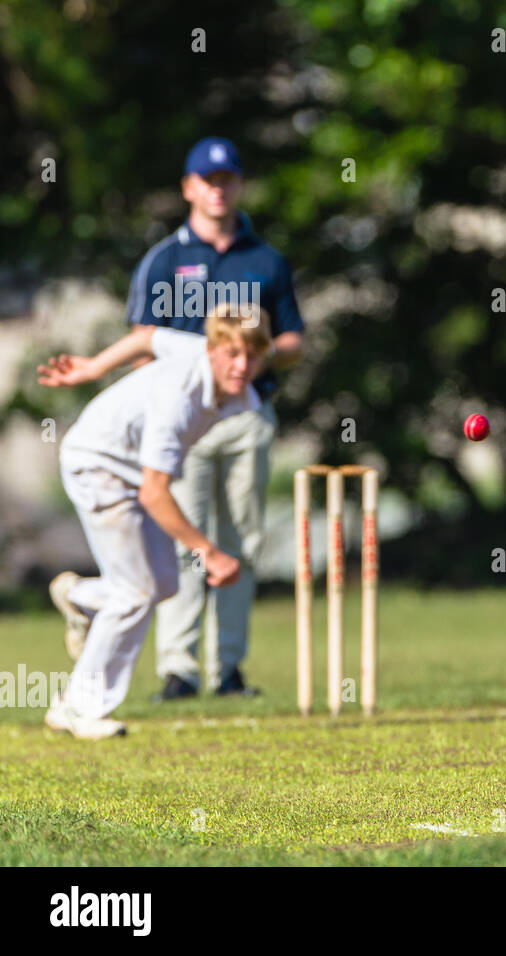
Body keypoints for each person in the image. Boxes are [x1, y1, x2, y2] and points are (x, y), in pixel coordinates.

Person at [123, 137, 303, 700]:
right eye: (207, 179)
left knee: (242, 540)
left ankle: (229, 669)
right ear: (189, 187)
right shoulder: (166, 259)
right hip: (186, 420)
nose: (217, 188)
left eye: (226, 179)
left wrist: (255, 357)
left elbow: (293, 336)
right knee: (185, 539)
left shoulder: (265, 259)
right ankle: (179, 669)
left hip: (247, 415)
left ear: (238, 185)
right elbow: (140, 338)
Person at [38, 305, 272, 738]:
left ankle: (82, 597)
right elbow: (155, 492)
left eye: (253, 355)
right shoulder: (179, 400)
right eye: (232, 353)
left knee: (164, 583)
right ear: (213, 349)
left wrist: (94, 367)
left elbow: (147, 338)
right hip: (98, 467)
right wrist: (209, 552)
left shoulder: (200, 357)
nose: (242, 366)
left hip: (128, 470)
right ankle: (77, 707)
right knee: (135, 591)